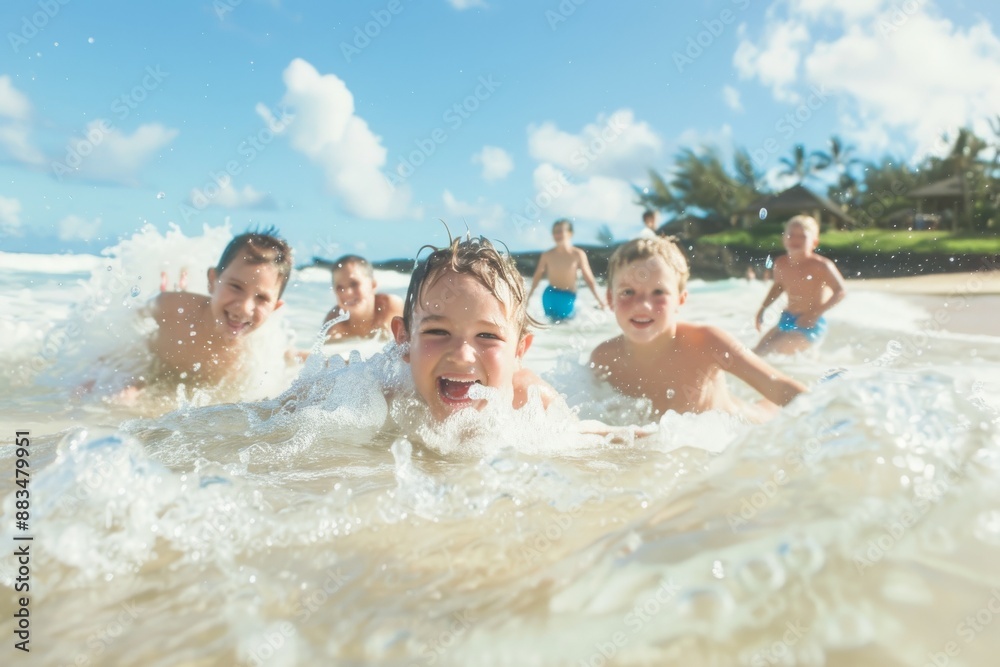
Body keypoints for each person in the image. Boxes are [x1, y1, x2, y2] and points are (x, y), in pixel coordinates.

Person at [590, 236, 806, 422]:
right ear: (610, 299)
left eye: (658, 292)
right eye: (628, 292)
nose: (643, 305)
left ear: (680, 299)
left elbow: (781, 388)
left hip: (753, 425)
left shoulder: (708, 343)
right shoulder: (604, 358)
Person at [391, 236, 560, 421]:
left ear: (518, 351)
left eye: (487, 335)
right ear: (404, 338)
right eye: (438, 331)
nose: (462, 356)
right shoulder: (384, 402)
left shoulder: (533, 405)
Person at [145, 227, 292, 389]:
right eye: (236, 287)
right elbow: (133, 320)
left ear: (275, 308)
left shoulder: (260, 352)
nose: (244, 308)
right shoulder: (174, 309)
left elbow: (287, 357)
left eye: (262, 298)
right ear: (212, 281)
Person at [753, 215, 847, 356]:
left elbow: (841, 291)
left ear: (814, 242)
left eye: (802, 236)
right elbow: (778, 287)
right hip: (787, 319)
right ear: (783, 239)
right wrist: (763, 308)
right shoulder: (781, 264)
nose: (795, 239)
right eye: (791, 235)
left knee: (774, 351)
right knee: (758, 352)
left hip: (811, 323)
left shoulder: (821, 266)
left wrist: (814, 314)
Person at [526, 219, 605, 322]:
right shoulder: (547, 255)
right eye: (555, 232)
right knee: (551, 326)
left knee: (565, 326)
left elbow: (588, 278)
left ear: (570, 233)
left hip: (568, 296)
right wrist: (528, 298)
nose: (557, 234)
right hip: (549, 295)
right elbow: (537, 276)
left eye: (560, 231)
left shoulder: (578, 254)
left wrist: (599, 299)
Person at [322, 254, 404, 341]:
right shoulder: (334, 322)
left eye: (354, 284)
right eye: (340, 287)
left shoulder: (389, 306)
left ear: (373, 285)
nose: (347, 292)